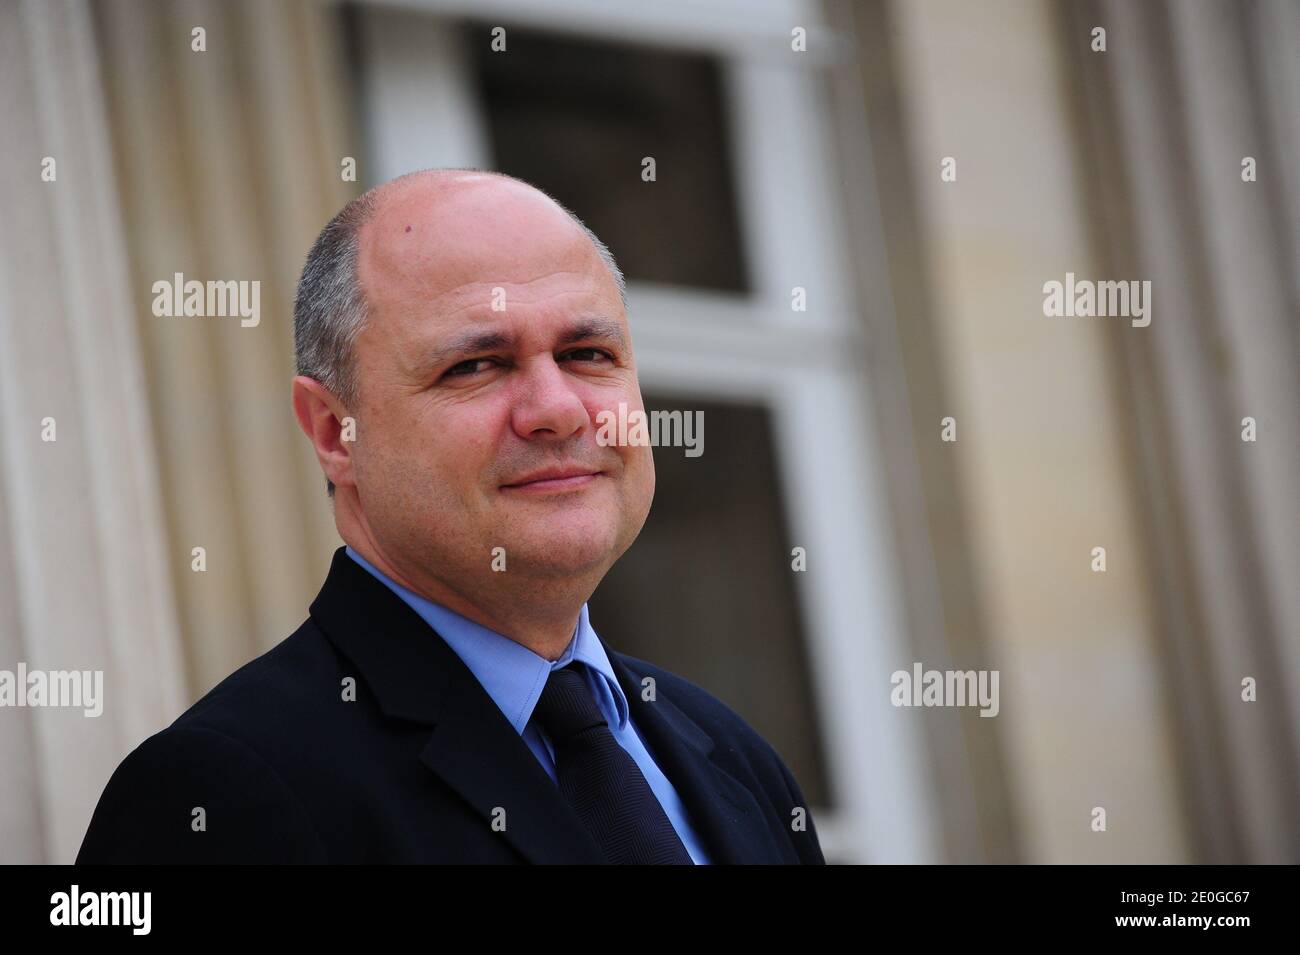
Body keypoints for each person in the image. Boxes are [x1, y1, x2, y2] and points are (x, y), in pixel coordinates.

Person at [76, 169, 826, 864]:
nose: (558, 410)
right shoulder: (218, 792)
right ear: (337, 431)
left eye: (588, 352)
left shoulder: (734, 759)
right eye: (476, 365)